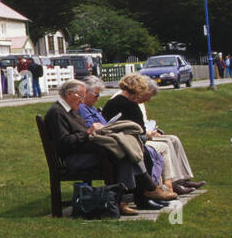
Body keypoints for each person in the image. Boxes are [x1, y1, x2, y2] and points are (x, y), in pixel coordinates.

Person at [44, 80, 158, 216]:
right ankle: (142, 191)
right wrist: (88, 132)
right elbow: (64, 143)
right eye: (80, 97)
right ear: (69, 94)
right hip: (75, 159)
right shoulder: (58, 113)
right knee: (120, 152)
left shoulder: (71, 111)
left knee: (122, 150)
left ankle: (131, 196)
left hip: (85, 153)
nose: (81, 101)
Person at [103, 74, 204, 192]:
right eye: (146, 94)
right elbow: (139, 131)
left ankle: (182, 179)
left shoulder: (120, 102)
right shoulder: (130, 104)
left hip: (126, 140)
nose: (148, 99)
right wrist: (150, 134)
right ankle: (172, 184)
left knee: (173, 139)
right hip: (132, 142)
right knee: (166, 144)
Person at [79, 76, 173, 199]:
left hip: (111, 143)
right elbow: (91, 129)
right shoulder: (84, 109)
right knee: (139, 152)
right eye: (96, 95)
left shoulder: (93, 108)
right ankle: (149, 191)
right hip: (103, 147)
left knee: (137, 151)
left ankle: (151, 190)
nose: (98, 99)